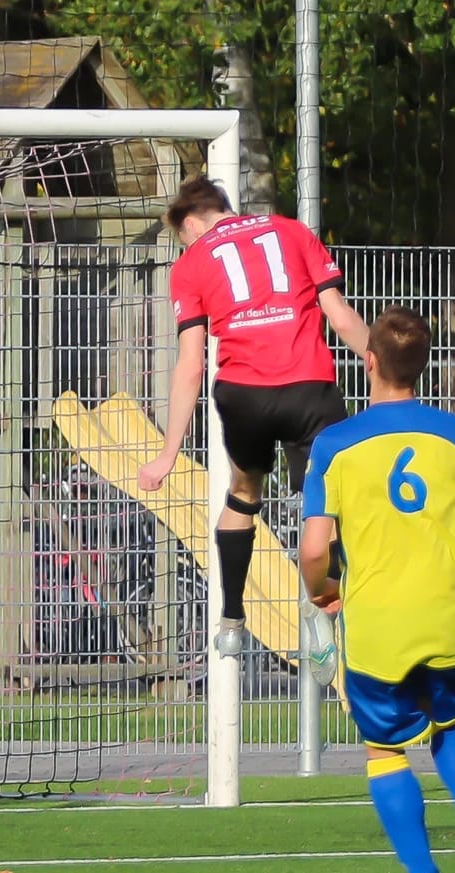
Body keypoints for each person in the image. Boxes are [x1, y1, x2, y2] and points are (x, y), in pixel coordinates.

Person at [298, 306, 455, 873]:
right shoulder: (454, 432)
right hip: (445, 612)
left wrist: (322, 590)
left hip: (377, 625)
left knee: (385, 748)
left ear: (367, 361)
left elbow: (314, 549)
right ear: (422, 368)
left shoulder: (335, 444)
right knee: (451, 720)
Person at [138, 175, 369, 656]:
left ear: (193, 221)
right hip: (309, 385)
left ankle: (231, 619)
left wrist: (167, 453)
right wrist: (387, 377)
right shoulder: (293, 231)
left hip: (244, 394)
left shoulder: (191, 264)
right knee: (327, 503)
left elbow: (191, 363)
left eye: (183, 236)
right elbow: (341, 316)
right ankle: (327, 607)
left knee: (243, 493)